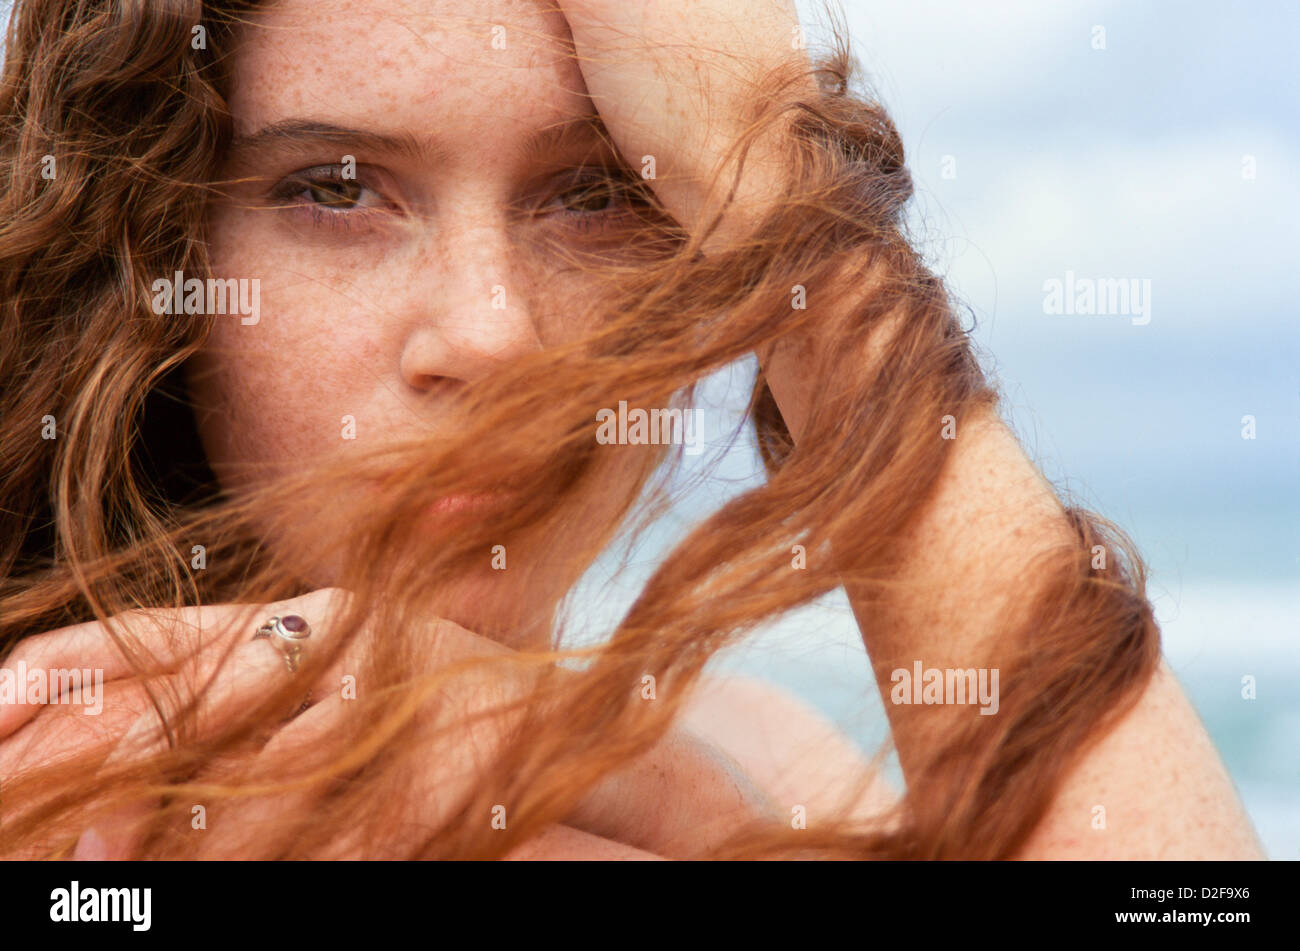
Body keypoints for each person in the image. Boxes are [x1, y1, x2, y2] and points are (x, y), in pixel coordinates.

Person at [0, 0, 1264, 860]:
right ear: (152, 260)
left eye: (599, 192)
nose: (492, 336)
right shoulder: (68, 772)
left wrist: (766, 162)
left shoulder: (752, 740)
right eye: (337, 190)